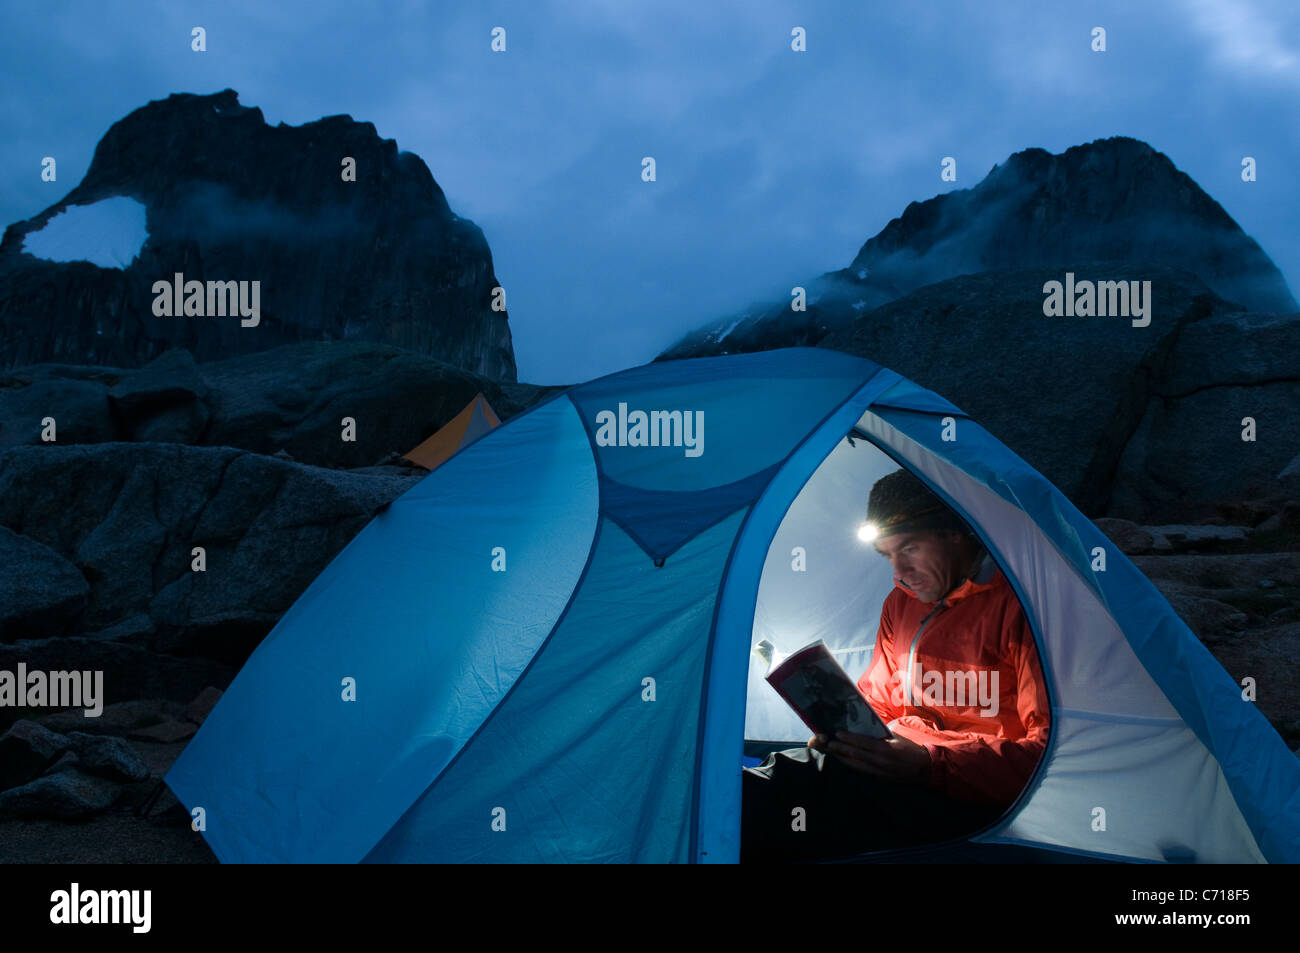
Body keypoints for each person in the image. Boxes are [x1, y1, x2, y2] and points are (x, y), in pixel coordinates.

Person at [740, 468, 1051, 862]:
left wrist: (929, 765)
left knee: (787, 802)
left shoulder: (1023, 607)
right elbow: (882, 701)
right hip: (894, 765)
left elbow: (1048, 756)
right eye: (888, 556)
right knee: (767, 785)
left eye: (909, 549)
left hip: (966, 795)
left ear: (954, 532)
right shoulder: (901, 603)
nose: (898, 573)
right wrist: (844, 732)